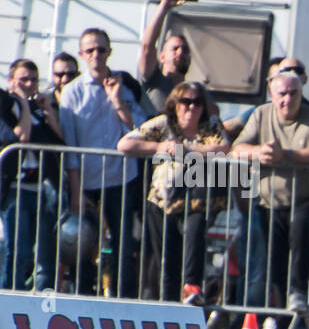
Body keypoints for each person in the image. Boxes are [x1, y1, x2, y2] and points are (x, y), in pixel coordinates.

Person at [231, 71, 309, 329]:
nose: (288, 100)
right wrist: (259, 152)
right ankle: (276, 318)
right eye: (282, 94)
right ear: (272, 95)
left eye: (293, 93)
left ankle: (298, 298)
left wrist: (285, 155)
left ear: (301, 93)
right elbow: (236, 148)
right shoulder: (261, 114)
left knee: (300, 247)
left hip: (306, 198)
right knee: (271, 259)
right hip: (268, 201)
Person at [118, 82, 230, 303]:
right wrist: (158, 147)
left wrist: (187, 150)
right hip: (162, 199)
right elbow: (124, 144)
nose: (191, 108)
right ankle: (167, 307)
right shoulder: (164, 123)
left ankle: (192, 289)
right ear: (175, 104)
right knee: (165, 259)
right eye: (185, 102)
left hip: (197, 199)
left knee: (194, 238)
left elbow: (224, 148)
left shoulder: (212, 125)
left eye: (197, 102)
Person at [59, 27, 150, 297]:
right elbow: (71, 145)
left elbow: (141, 129)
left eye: (101, 49)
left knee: (123, 244)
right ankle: (83, 296)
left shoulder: (123, 87)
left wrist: (117, 101)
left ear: (109, 52)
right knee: (82, 244)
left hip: (120, 177)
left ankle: (122, 299)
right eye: (90, 50)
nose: (96, 55)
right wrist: (76, 190)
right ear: (82, 55)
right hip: (86, 180)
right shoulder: (72, 92)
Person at [1, 60, 65, 292]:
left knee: (44, 255)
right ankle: (9, 298)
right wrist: (23, 105)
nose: (29, 84)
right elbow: (21, 137)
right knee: (18, 252)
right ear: (11, 81)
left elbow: (59, 143)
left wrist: (48, 111)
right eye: (23, 79)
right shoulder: (5, 105)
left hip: (41, 188)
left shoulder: (38, 110)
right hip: (16, 189)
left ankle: (40, 304)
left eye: (33, 80)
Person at [137, 0, 194, 116]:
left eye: (185, 50)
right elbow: (147, 45)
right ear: (161, 57)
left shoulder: (193, 93)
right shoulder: (153, 80)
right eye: (175, 49)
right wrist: (164, 6)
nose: (180, 53)